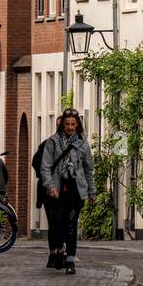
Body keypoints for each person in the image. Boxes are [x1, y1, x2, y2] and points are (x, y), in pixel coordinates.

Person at [39, 109, 95, 275]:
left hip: (76, 189)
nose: (70, 127)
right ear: (62, 124)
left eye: (73, 124)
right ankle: (59, 248)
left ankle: (70, 259)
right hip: (58, 189)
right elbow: (45, 167)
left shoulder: (83, 143)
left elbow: (88, 169)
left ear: (78, 124)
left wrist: (91, 192)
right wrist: (50, 186)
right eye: (67, 124)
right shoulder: (52, 142)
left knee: (71, 225)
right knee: (57, 224)